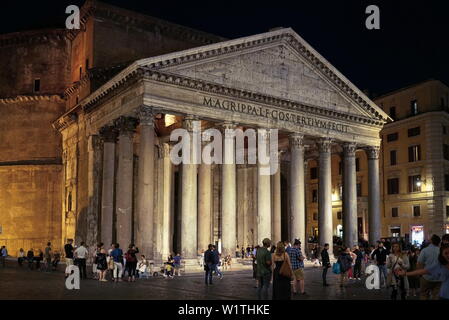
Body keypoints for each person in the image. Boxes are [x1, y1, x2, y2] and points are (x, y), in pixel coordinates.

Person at [417, 234, 442, 300]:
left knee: (424, 295)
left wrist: (421, 274)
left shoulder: (424, 250)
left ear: (431, 241)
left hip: (426, 277)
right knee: (436, 296)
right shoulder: (441, 251)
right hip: (438, 278)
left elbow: (419, 264)